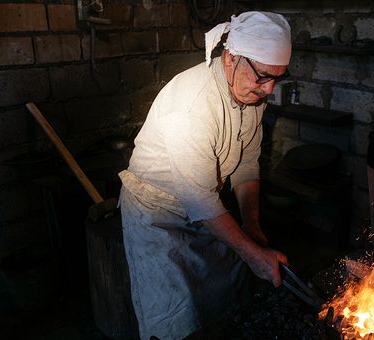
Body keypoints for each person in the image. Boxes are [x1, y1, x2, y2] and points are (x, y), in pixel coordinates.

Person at [118, 11, 292, 340]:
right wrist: (253, 254)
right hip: (155, 214)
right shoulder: (192, 106)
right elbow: (200, 200)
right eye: (263, 77)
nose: (269, 89)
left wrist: (250, 222)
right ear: (231, 58)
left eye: (277, 78)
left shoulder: (252, 95)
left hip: (201, 206)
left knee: (221, 300)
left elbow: (247, 161)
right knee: (177, 318)